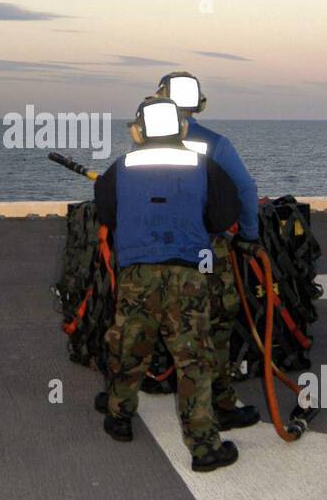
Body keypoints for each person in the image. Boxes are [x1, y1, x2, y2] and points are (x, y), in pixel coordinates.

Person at [92, 95, 241, 472]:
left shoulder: (120, 167)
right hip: (188, 276)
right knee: (194, 359)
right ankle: (205, 448)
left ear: (138, 131)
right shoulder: (204, 166)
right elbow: (225, 216)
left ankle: (119, 418)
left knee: (129, 346)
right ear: (183, 128)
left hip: (136, 275)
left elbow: (107, 212)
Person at [156, 72, 261, 431]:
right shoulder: (215, 143)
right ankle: (220, 404)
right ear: (198, 103)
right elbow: (246, 190)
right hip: (204, 248)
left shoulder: (145, 145)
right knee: (215, 323)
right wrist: (248, 236)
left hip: (157, 249)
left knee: (162, 319)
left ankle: (158, 382)